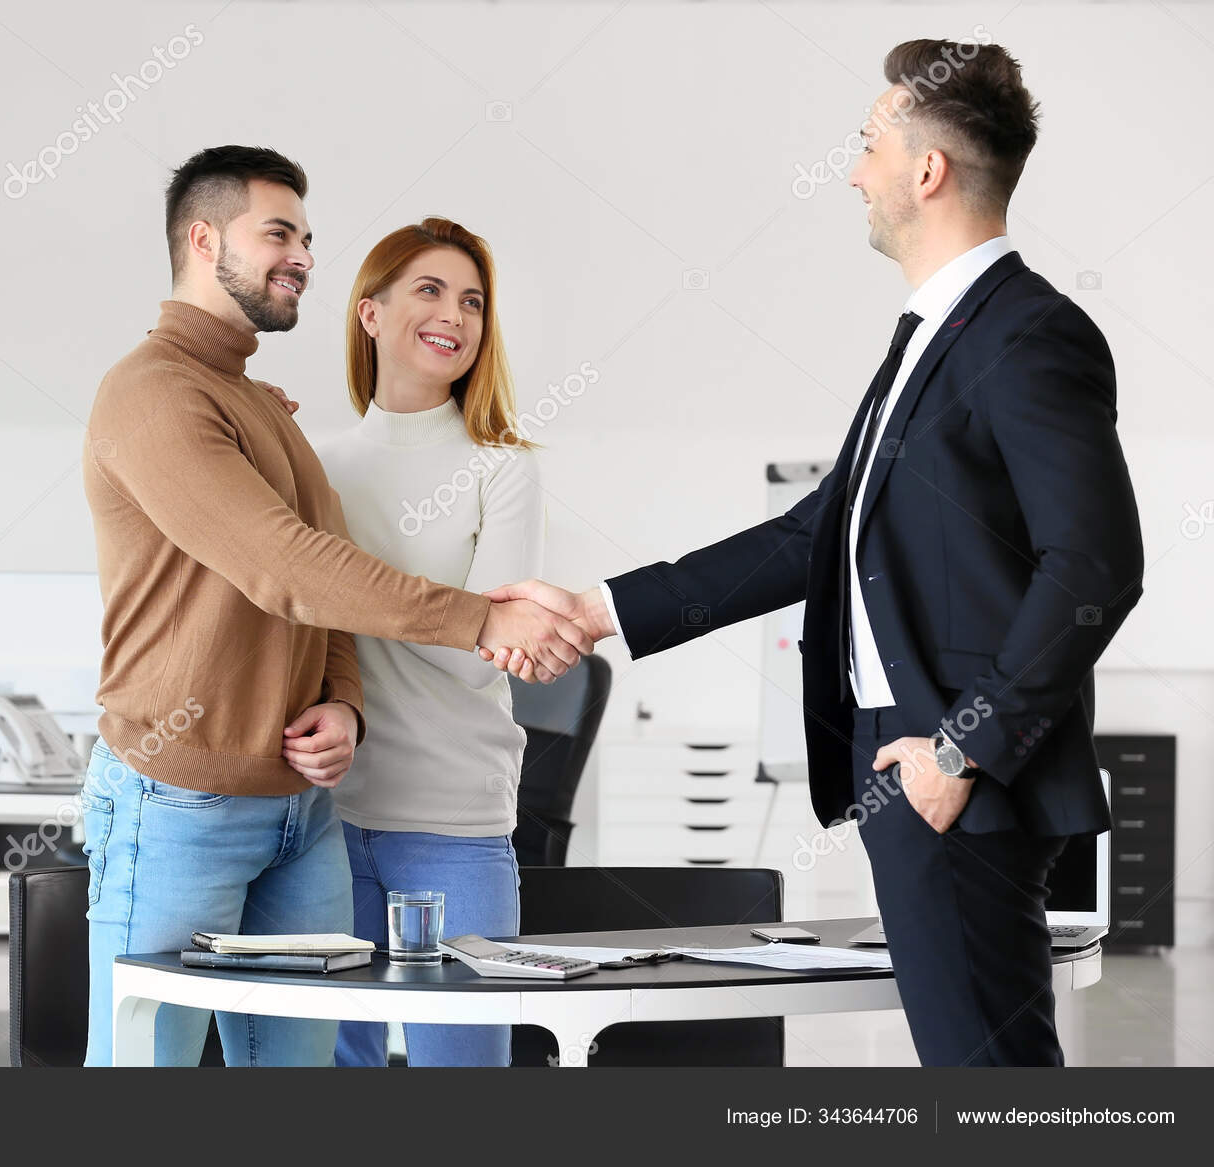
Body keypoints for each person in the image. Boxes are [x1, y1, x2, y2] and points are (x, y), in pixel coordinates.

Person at [482, 40, 1143, 1066]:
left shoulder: (1026, 334)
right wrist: (597, 608)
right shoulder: (931, 335)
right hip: (909, 759)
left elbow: (1096, 564)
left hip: (955, 768)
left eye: (868, 145)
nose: (851, 173)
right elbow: (814, 535)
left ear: (927, 172)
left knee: (988, 1077)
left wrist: (963, 749)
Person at [78, 145, 590, 1067]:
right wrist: (480, 618)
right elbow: (288, 568)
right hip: (183, 798)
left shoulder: (267, 412)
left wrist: (346, 700)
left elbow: (316, 610)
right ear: (203, 239)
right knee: (142, 1066)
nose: (303, 254)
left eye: (308, 237)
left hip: (303, 809)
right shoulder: (155, 391)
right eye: (278, 233)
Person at [305, 218, 541, 1067]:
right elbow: (296, 628)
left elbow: (481, 643)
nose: (457, 315)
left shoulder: (500, 465)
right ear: (370, 313)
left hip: (453, 817)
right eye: (431, 290)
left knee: (463, 1074)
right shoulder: (315, 463)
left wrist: (344, 584)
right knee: (338, 1071)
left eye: (473, 300)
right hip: (323, 817)